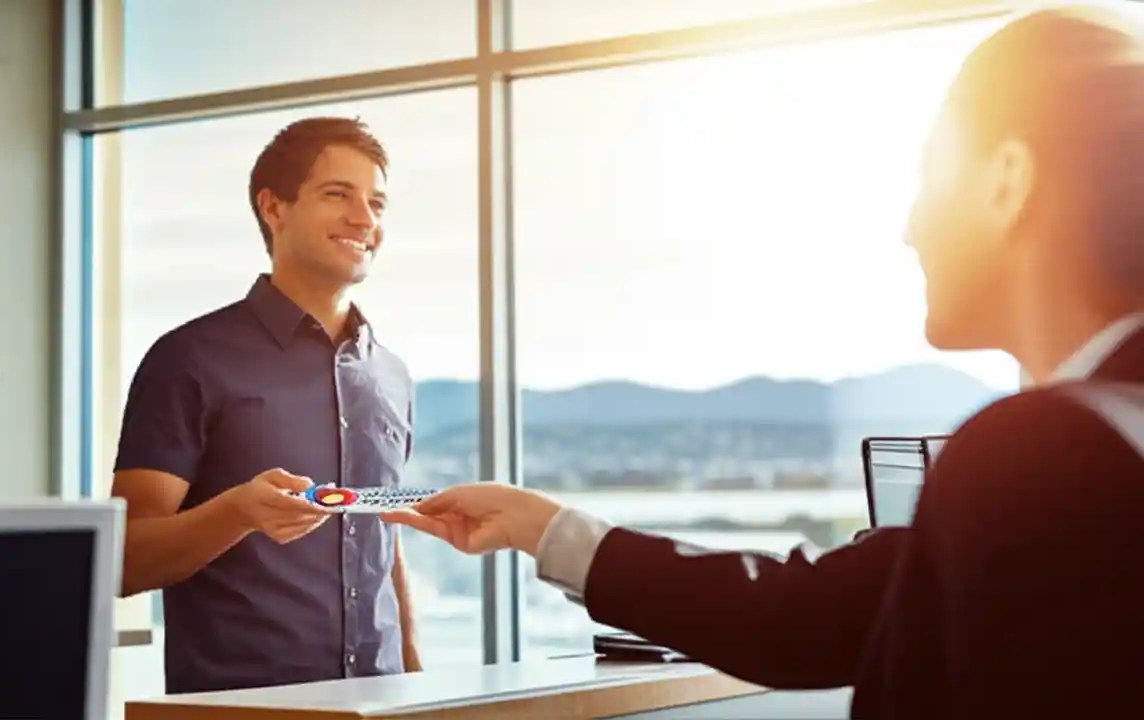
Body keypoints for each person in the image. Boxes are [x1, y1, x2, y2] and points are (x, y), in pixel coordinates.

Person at [383, 5, 1144, 717]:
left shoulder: (1052, 447)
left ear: (1008, 181)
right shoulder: (1093, 443)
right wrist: (543, 527)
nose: (910, 228)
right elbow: (814, 613)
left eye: (930, 175)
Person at [112, 117, 422, 694]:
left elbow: (381, 544)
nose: (365, 219)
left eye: (376, 202)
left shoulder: (392, 375)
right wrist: (237, 512)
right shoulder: (188, 358)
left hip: (382, 705)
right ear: (273, 208)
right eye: (338, 195)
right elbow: (123, 561)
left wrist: (418, 681)